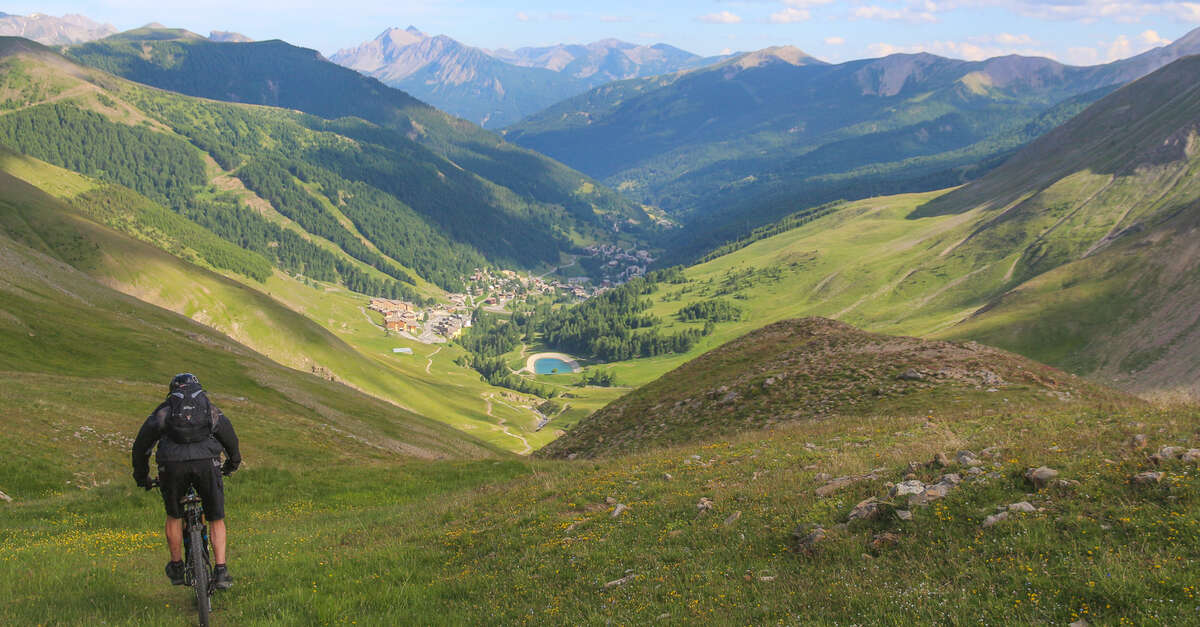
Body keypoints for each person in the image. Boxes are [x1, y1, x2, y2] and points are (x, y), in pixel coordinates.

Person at [132, 373, 241, 590]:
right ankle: (221, 570)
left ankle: (177, 566)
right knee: (216, 517)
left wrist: (142, 477)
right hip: (206, 462)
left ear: (172, 390)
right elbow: (229, 436)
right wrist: (232, 464)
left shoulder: (164, 411)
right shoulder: (208, 408)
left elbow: (141, 447)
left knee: (174, 515)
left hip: (172, 465)